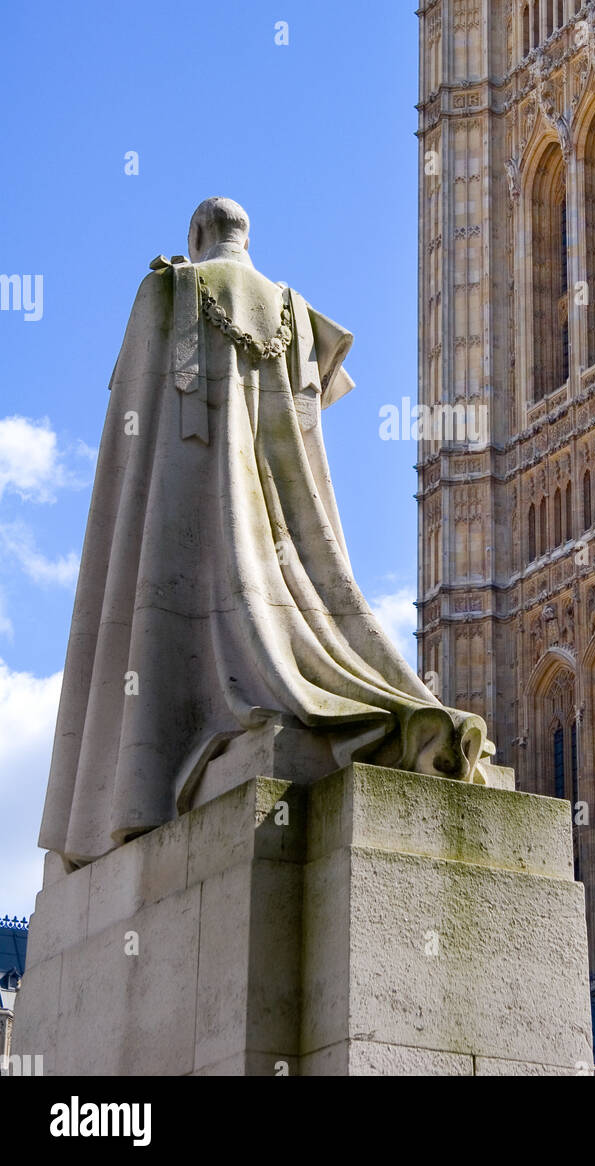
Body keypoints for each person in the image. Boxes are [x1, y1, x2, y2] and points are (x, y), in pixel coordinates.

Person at [40, 198, 491, 867]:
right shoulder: (294, 314)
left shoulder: (169, 288)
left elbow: (129, 430)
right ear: (247, 239)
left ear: (197, 235)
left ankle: (160, 772)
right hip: (283, 528)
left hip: (187, 508)